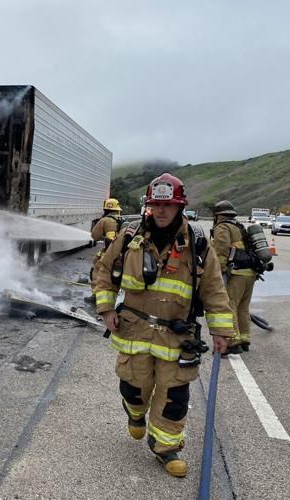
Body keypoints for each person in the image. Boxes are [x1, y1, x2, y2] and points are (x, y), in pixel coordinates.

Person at [94, 173, 235, 477]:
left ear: (180, 206)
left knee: (174, 399)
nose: (161, 211)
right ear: (149, 205)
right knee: (134, 390)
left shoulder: (198, 244)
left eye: (168, 205)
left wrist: (222, 330)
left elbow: (213, 289)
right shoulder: (130, 236)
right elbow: (104, 271)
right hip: (135, 331)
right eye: (156, 204)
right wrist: (106, 309)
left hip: (176, 337)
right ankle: (135, 414)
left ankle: (166, 447)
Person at [211, 200, 257, 353]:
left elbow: (221, 250)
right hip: (250, 273)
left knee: (231, 305)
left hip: (236, 273)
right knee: (243, 307)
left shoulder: (222, 227)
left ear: (217, 215)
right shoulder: (239, 226)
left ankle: (233, 341)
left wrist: (220, 270)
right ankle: (245, 339)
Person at [88, 198, 124, 304]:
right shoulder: (122, 220)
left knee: (97, 272)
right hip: (120, 253)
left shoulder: (104, 220)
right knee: (112, 274)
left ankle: (96, 296)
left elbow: (95, 236)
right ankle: (112, 296)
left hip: (108, 252)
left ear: (105, 210)